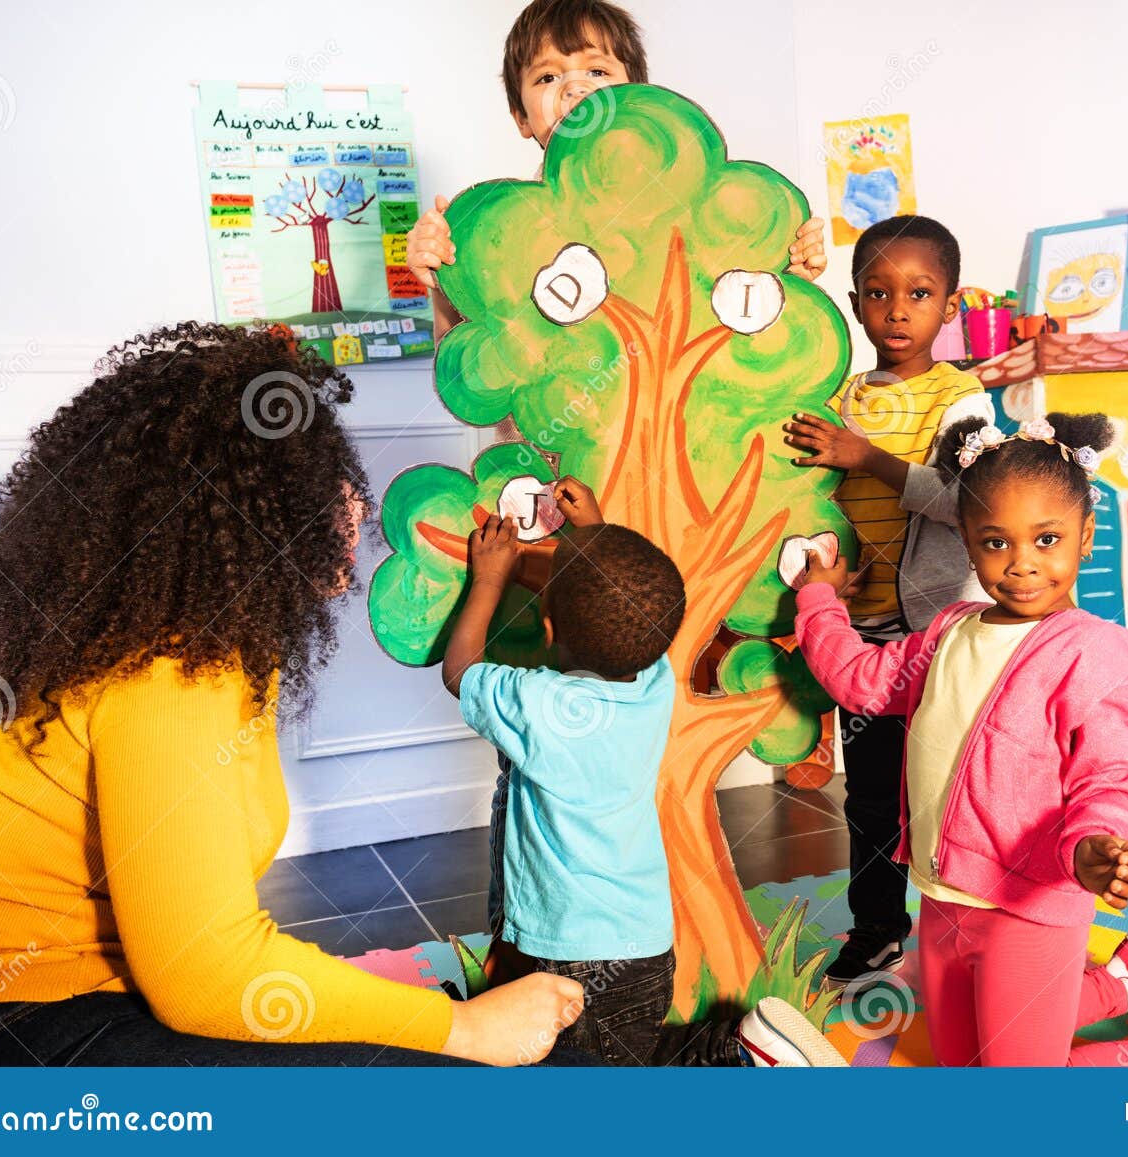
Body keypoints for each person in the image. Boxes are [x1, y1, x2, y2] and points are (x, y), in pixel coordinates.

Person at [0, 323, 586, 1066]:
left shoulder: (222, 649)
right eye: (311, 473)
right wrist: (465, 1028)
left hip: (105, 993)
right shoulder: (170, 675)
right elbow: (205, 975)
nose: (351, 496)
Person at [405, 0, 829, 941]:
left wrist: (795, 261)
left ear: (636, 89)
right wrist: (439, 279)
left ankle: (666, 942)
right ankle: (527, 938)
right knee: (544, 745)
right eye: (547, 79)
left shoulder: (692, 210)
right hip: (560, 528)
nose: (572, 93)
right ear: (521, 116)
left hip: (661, 537)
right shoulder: (508, 229)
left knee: (659, 729)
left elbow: (756, 343)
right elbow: (470, 371)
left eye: (594, 71)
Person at [793, 411, 1128, 1067]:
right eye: (994, 542)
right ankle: (1124, 981)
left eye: (1046, 539)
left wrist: (1094, 846)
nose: (1020, 565)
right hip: (942, 897)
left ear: (1085, 535)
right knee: (964, 1069)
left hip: (1031, 906)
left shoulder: (1096, 656)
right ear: (965, 539)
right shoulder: (950, 629)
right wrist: (819, 602)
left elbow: (1106, 779)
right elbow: (866, 683)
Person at [442, 479, 844, 1066]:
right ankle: (730, 1047)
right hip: (644, 942)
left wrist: (489, 578)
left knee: (588, 1077)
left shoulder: (542, 706)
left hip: (567, 955)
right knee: (627, 1053)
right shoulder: (653, 683)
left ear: (549, 628)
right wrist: (592, 532)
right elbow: (626, 614)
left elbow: (461, 671)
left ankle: (733, 1057)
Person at [780, 214, 993, 987]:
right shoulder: (839, 390)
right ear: (855, 299)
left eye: (919, 293)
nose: (897, 310)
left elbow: (967, 500)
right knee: (869, 795)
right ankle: (877, 928)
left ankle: (964, 923)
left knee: (942, 782)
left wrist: (864, 455)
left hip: (931, 632)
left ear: (950, 303)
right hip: (856, 629)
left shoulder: (961, 398)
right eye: (877, 292)